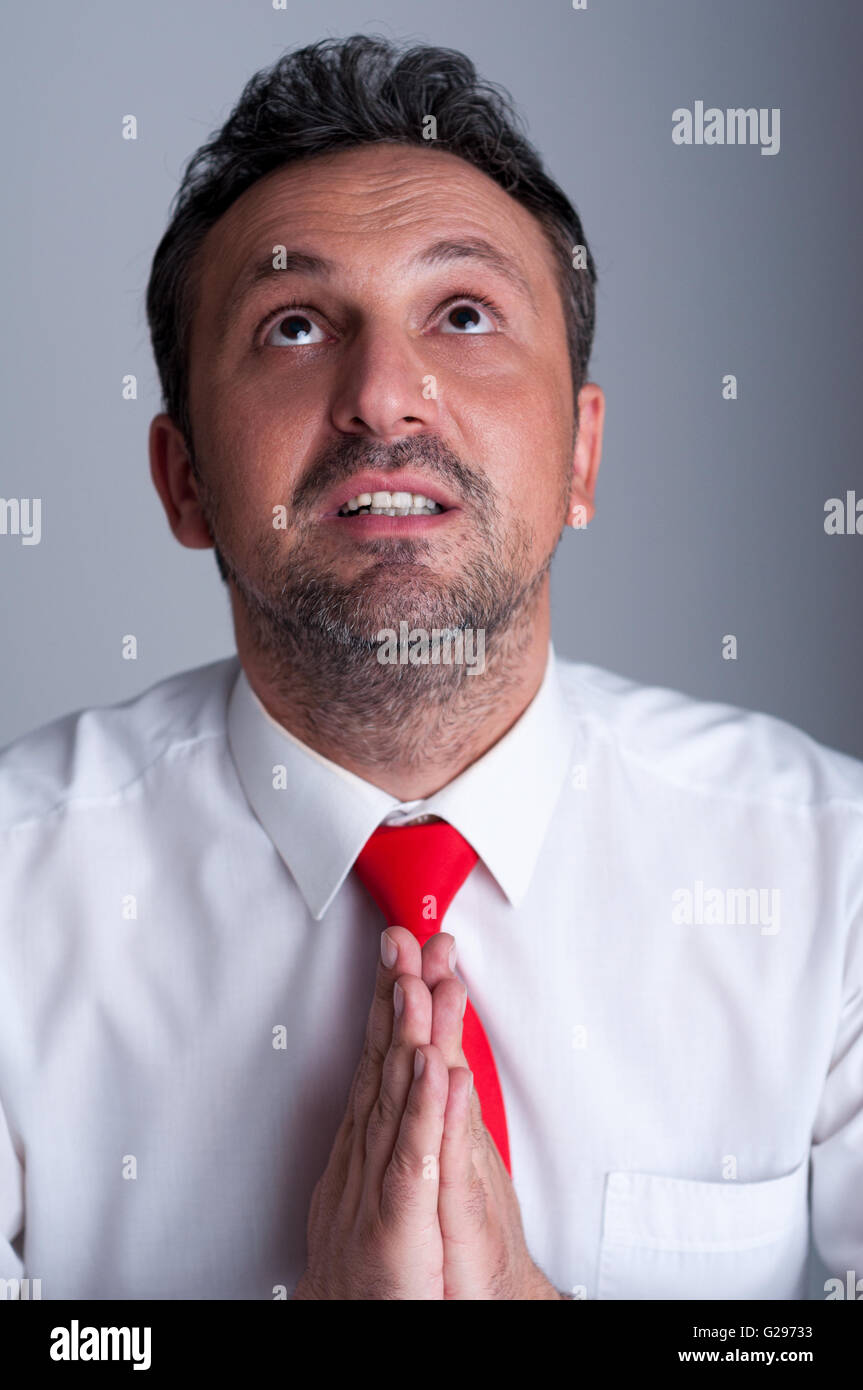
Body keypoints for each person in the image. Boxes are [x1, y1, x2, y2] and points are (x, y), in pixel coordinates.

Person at [1, 34, 860, 1302]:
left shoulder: (830, 877)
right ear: (184, 480)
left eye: (461, 314)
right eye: (294, 325)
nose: (384, 396)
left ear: (578, 456)